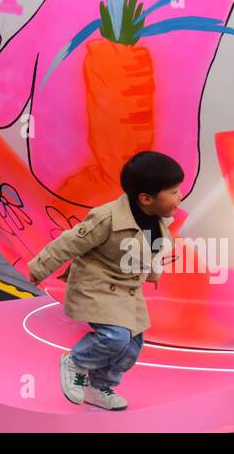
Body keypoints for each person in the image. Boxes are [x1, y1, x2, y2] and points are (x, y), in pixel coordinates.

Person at [26, 150, 180, 410]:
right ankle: (76, 362)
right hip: (96, 285)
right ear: (146, 198)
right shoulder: (107, 218)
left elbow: (150, 251)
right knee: (115, 337)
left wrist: (154, 274)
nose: (180, 196)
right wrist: (40, 267)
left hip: (127, 291)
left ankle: (98, 387)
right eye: (174, 192)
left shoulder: (158, 221)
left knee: (132, 346)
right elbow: (70, 242)